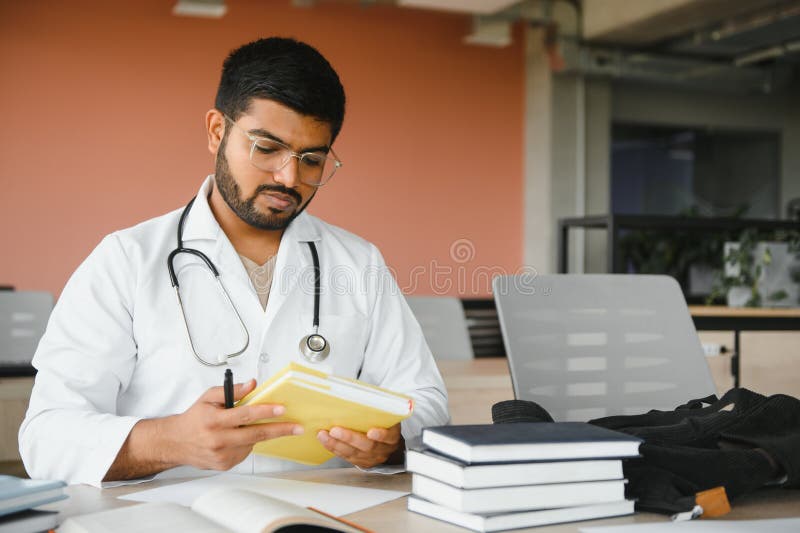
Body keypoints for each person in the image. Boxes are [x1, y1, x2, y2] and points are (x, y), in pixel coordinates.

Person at [19, 37, 449, 486]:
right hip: (168, 514)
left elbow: (427, 401)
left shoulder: (358, 263)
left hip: (321, 513)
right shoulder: (126, 260)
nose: (288, 177)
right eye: (267, 148)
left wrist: (392, 443)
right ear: (216, 131)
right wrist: (169, 442)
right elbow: (45, 437)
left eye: (311, 160)